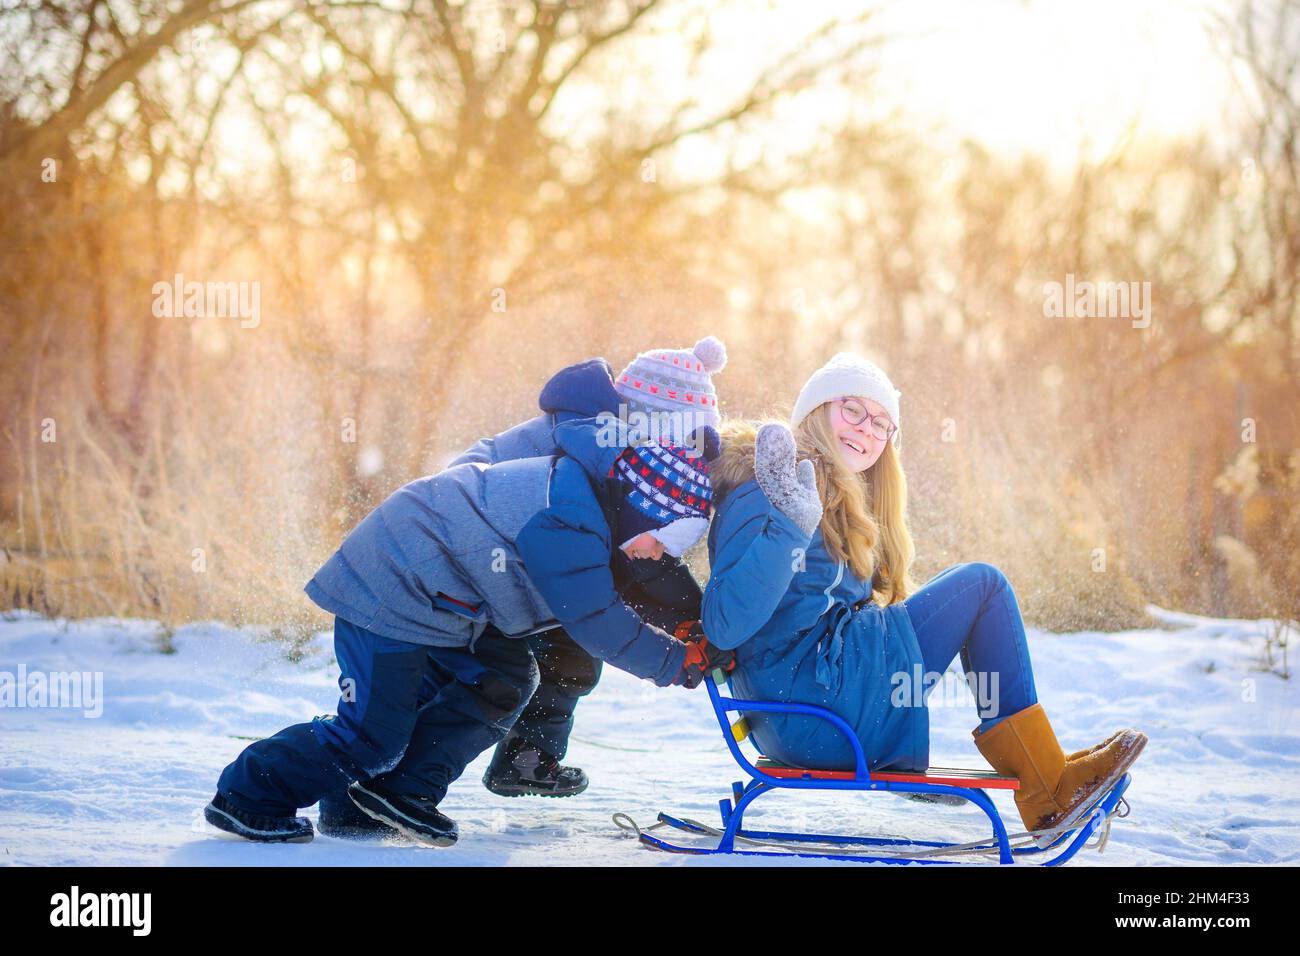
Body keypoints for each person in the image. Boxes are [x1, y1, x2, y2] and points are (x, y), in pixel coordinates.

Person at [205, 415, 731, 847]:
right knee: (372, 733)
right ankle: (247, 795)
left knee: (502, 678)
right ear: (640, 510)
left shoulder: (603, 512)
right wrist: (673, 662)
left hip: (447, 601)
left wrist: (693, 622)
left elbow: (635, 574)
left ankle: (392, 795)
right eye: (663, 539)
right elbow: (593, 616)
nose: (661, 553)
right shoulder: (568, 517)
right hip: (391, 586)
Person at [700, 352, 1147, 840]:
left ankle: (1048, 776)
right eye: (851, 409)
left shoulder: (832, 495)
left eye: (881, 423)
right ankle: (1048, 787)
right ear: (816, 410)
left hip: (808, 707)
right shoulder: (771, 488)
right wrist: (788, 521)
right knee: (982, 585)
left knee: (972, 587)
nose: (866, 429)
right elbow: (725, 623)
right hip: (809, 706)